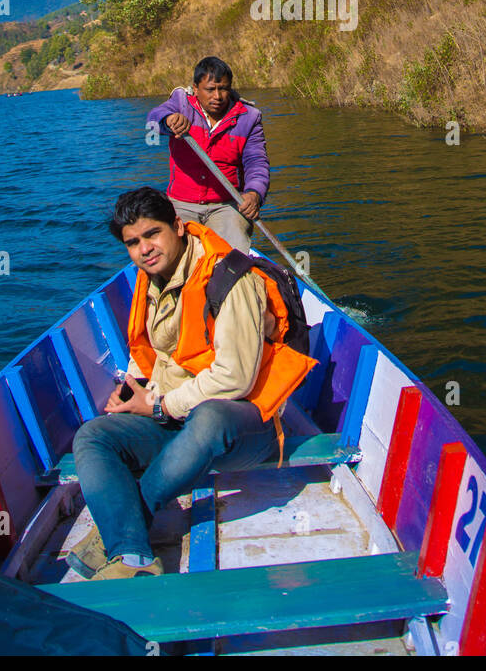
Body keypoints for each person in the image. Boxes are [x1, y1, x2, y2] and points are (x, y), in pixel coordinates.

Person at [68, 186, 315, 581]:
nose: (144, 249)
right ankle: (132, 556)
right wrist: (137, 387)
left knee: (210, 418)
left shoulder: (231, 278)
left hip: (244, 428)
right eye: (133, 243)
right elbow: (160, 351)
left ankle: (115, 531)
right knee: (92, 436)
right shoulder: (151, 279)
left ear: (179, 227)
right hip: (177, 418)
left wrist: (157, 406)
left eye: (153, 234)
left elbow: (235, 378)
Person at [145, 55, 269, 255]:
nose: (218, 96)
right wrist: (168, 120)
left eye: (224, 89)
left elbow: (257, 162)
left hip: (226, 205)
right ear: (195, 88)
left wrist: (254, 194)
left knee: (231, 255)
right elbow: (153, 120)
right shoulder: (181, 103)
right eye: (210, 89)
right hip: (181, 204)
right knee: (170, 253)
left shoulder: (248, 117)